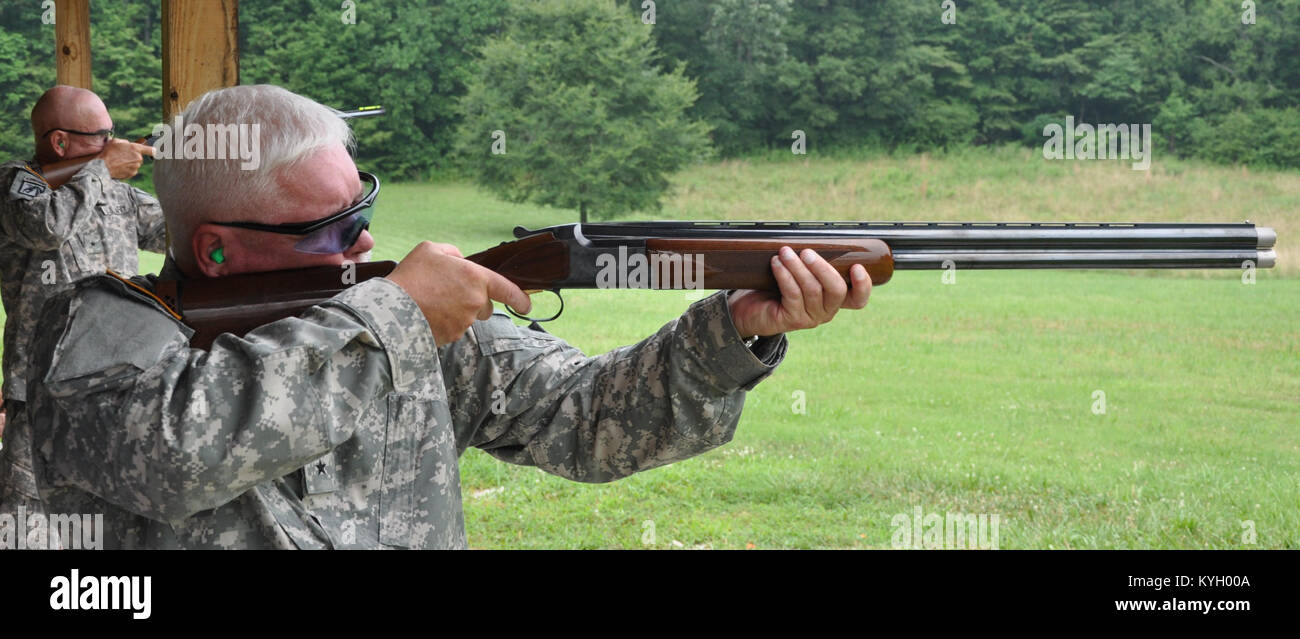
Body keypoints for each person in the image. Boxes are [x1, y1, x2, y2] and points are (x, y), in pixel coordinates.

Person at [17, 85, 870, 549]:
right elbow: (174, 454)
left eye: (364, 206)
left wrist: (732, 333)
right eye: (334, 229)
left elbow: (590, 421)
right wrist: (393, 317)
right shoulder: (93, 335)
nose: (369, 239)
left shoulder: (393, 317)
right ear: (215, 253)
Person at [0, 86, 165, 513]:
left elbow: (179, 235)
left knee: (120, 509)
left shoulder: (113, 192)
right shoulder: (16, 183)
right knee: (28, 522)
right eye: (102, 135)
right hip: (42, 385)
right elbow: (46, 227)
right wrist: (99, 169)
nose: (112, 143)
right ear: (59, 142)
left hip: (123, 376)